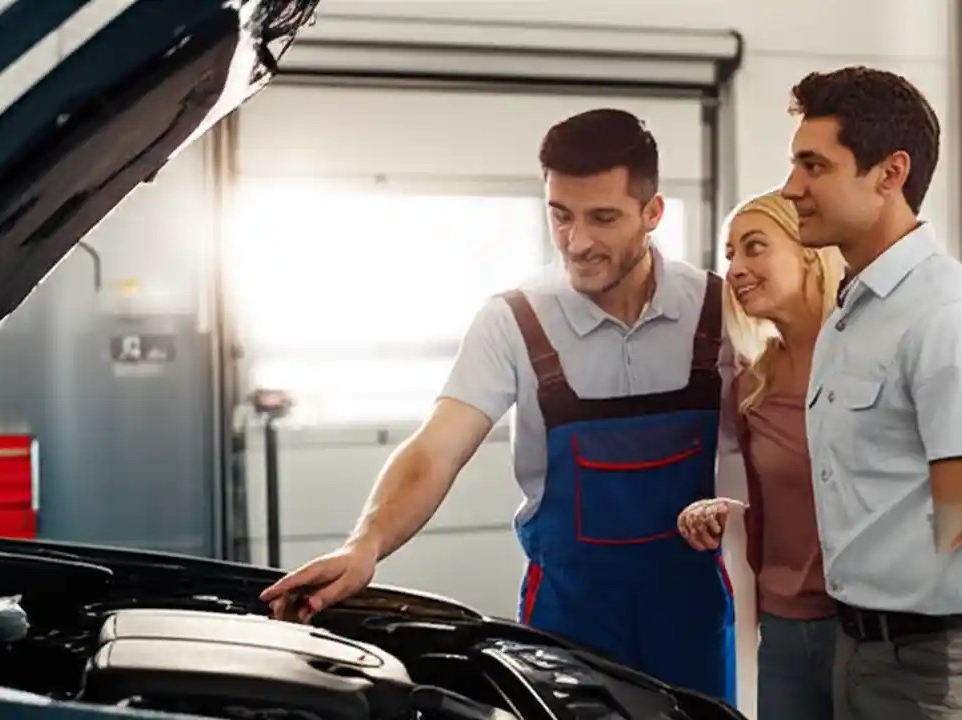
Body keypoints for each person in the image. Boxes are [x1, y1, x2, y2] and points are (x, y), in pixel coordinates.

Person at [259, 108, 735, 703]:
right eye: (560, 215)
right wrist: (366, 543)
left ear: (653, 213)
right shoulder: (514, 321)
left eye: (603, 218)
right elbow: (436, 448)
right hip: (569, 621)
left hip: (690, 617)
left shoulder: (720, 312)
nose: (577, 241)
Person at [779, 66, 962, 719]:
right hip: (868, 649)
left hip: (940, 663)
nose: (791, 189)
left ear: (890, 173)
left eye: (814, 166)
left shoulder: (953, 319)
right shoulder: (855, 315)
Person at [676, 191, 846, 719]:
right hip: (786, 628)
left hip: (869, 632)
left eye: (754, 248)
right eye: (730, 254)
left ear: (810, 254)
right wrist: (725, 512)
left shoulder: (867, 360)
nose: (736, 269)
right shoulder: (752, 383)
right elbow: (781, 506)